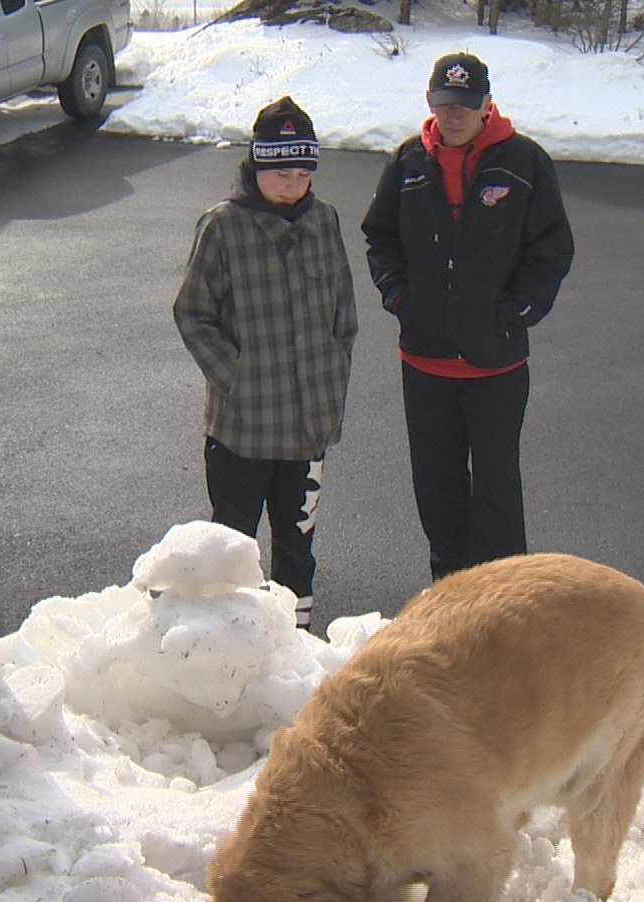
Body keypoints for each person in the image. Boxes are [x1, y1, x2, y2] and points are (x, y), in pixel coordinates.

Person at [362, 52, 575, 582]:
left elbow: (552, 249)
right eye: (444, 104)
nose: (454, 115)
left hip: (495, 364)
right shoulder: (409, 161)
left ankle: (507, 602)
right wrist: (400, 298)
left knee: (497, 491)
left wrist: (516, 313)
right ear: (431, 104)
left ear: (485, 106)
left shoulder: (523, 162)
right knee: (438, 490)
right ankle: (450, 596)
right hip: (426, 362)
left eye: (465, 105)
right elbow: (380, 236)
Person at [173, 96, 358, 630]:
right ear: (257, 166)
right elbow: (193, 314)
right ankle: (229, 647)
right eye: (281, 170)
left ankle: (295, 643)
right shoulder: (223, 227)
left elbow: (344, 312)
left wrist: (333, 374)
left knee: (298, 550)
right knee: (232, 547)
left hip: (306, 430)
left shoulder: (324, 221)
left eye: (303, 171)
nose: (292, 182)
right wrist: (238, 379)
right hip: (242, 432)